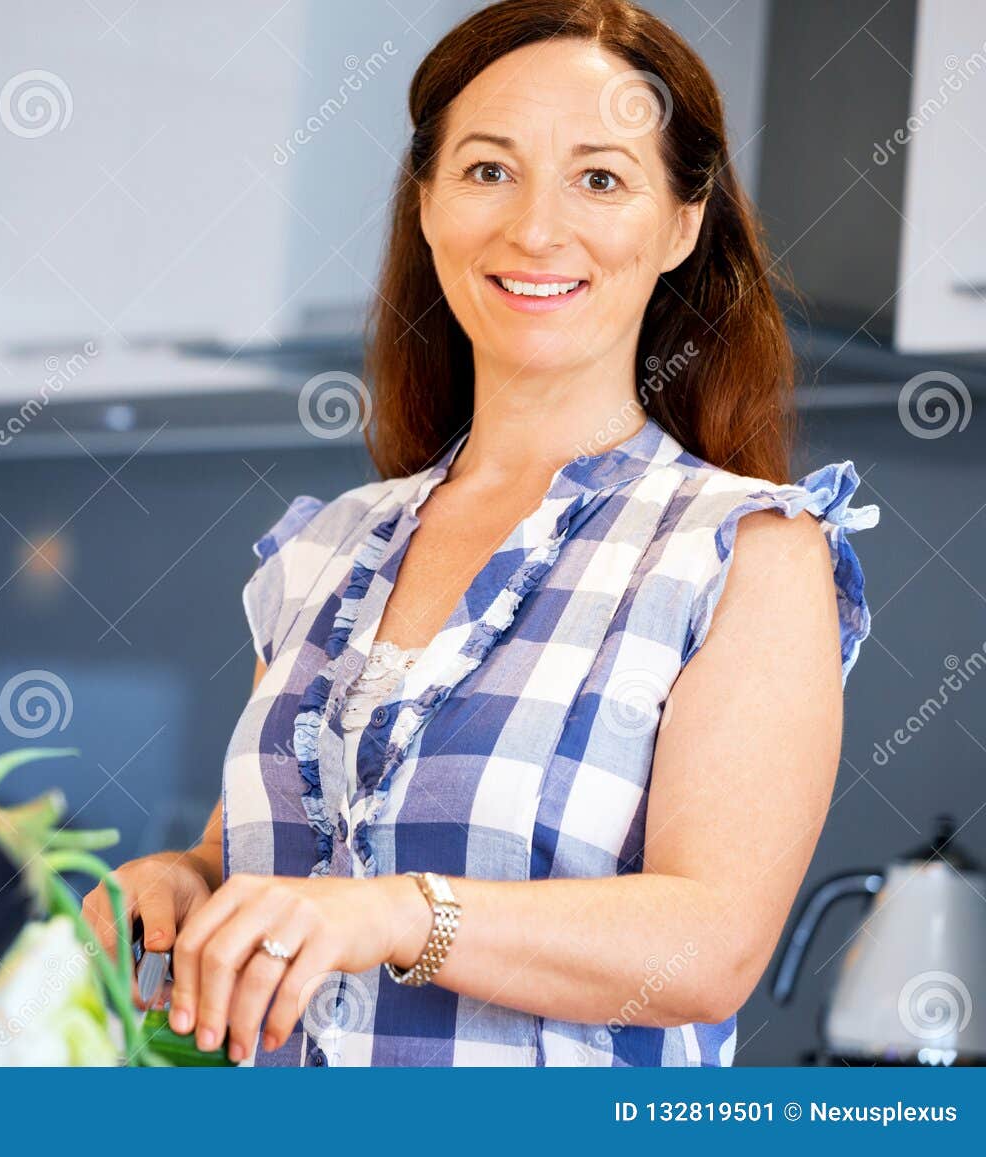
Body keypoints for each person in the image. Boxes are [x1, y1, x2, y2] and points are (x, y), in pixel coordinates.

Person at [84, 0, 879, 1067]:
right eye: (488, 170)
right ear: (425, 203)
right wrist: (185, 882)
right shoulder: (328, 551)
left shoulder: (743, 551)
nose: (535, 229)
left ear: (682, 222)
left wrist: (403, 914)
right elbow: (282, 868)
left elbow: (708, 947)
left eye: (598, 178)